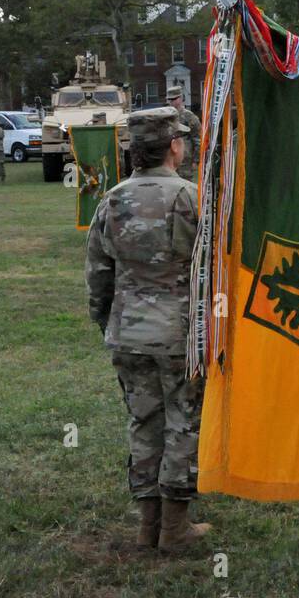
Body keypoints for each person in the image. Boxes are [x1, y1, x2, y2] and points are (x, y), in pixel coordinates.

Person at [85, 107, 210, 554]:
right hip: (180, 337)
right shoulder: (195, 199)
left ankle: (147, 526)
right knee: (182, 424)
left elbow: (98, 274)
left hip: (128, 333)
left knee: (143, 422)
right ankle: (174, 528)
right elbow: (216, 272)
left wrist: (108, 321)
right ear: (174, 145)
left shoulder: (111, 200)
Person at [165, 87, 201, 183]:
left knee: (185, 186)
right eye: (170, 99)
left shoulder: (189, 116)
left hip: (185, 160)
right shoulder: (165, 116)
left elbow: (197, 139)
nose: (172, 102)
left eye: (174, 99)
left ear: (180, 98)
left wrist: (196, 160)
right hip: (168, 160)